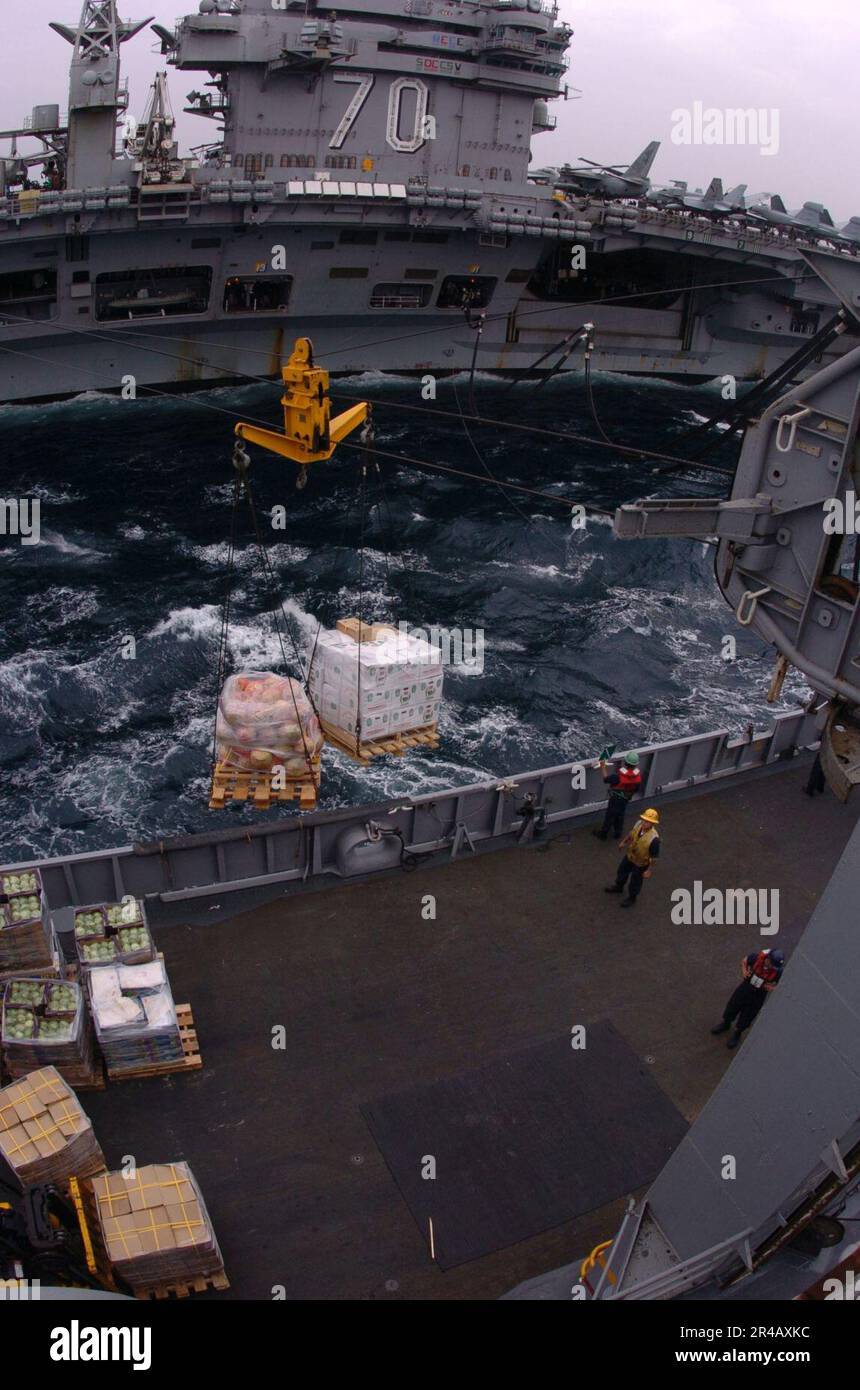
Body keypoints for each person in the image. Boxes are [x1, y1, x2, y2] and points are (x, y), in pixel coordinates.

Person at [711, 948, 785, 1049]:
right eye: (771, 964)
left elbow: (781, 984)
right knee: (733, 1005)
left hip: (759, 994)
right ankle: (726, 1023)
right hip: (746, 987)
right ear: (768, 958)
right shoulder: (756, 958)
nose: (772, 967)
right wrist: (744, 971)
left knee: (748, 1015)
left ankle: (738, 1033)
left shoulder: (778, 971)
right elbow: (744, 960)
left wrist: (771, 987)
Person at [604, 808, 660, 908]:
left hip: (641, 862)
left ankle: (632, 897)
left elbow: (654, 857)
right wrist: (624, 842)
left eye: (648, 822)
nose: (645, 823)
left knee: (636, 880)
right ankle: (619, 886)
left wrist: (649, 870)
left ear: (652, 824)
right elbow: (631, 834)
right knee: (622, 870)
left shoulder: (654, 839)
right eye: (644, 820)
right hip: (630, 856)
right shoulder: (638, 824)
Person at [592, 752, 642, 841]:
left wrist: (603, 766)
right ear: (636, 764)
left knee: (610, 816)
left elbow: (606, 779)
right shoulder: (637, 776)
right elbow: (636, 789)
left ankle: (603, 834)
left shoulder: (618, 777)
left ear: (625, 763)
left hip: (615, 799)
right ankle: (618, 833)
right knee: (620, 815)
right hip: (625, 799)